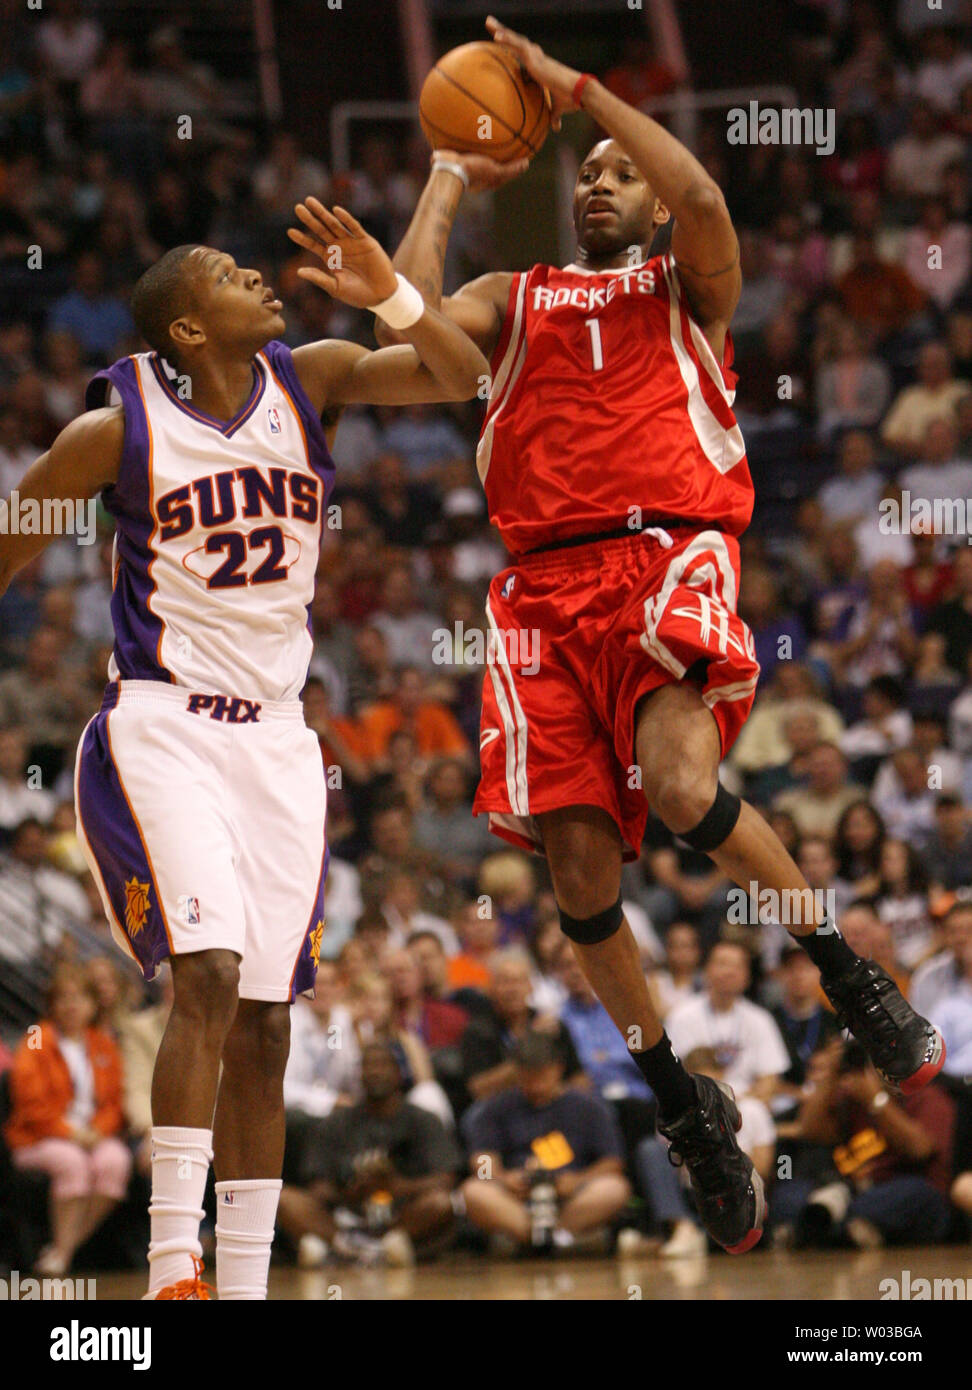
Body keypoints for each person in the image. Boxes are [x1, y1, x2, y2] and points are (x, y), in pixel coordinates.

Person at [378, 16, 946, 1255]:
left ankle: (851, 977)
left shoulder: (688, 286)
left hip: (664, 550)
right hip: (537, 597)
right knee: (579, 882)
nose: (597, 176)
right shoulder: (510, 296)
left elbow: (696, 188)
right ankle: (682, 1102)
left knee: (687, 786)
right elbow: (401, 325)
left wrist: (581, 94)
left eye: (614, 168)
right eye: (584, 171)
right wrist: (448, 172)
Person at [0, 210, 488, 1298]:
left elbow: (463, 377)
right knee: (208, 974)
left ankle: (250, 1282)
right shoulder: (114, 427)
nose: (257, 275)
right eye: (227, 273)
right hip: (164, 723)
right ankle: (176, 1266)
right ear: (184, 324)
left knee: (265, 1025)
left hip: (278, 742)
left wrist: (390, 295)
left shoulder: (309, 376)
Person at [276, 1040, 460, 1268]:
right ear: (359, 1075)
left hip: (403, 1217)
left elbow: (446, 1179)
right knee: (283, 1199)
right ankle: (357, 1248)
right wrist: (350, 1191)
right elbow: (316, 1185)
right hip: (346, 1217)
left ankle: (360, 1251)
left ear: (399, 1073)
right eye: (368, 1066)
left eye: (383, 1065)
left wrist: (397, 1186)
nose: (375, 1072)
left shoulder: (424, 1120)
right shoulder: (336, 1122)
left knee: (442, 1203)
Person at [4, 967, 132, 1276]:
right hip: (39, 1138)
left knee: (116, 1162)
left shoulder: (102, 1042)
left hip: (92, 1135)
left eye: (79, 998)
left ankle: (62, 1250)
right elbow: (29, 1100)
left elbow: (115, 1103)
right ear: (52, 1004)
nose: (71, 1005)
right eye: (63, 998)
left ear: (92, 1005)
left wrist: (98, 1131)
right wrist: (71, 1133)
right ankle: (61, 1256)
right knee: (73, 1162)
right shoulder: (36, 1036)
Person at [460, 1031, 631, 1253]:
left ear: (558, 1068)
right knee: (473, 1191)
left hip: (571, 1197)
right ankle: (551, 1238)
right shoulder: (496, 1107)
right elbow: (481, 1158)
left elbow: (613, 1162)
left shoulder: (588, 1107)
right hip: (518, 1199)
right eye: (527, 1077)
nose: (536, 1086)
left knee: (614, 1189)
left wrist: (577, 1180)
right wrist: (502, 1178)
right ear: (516, 1073)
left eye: (542, 1076)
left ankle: (550, 1235)